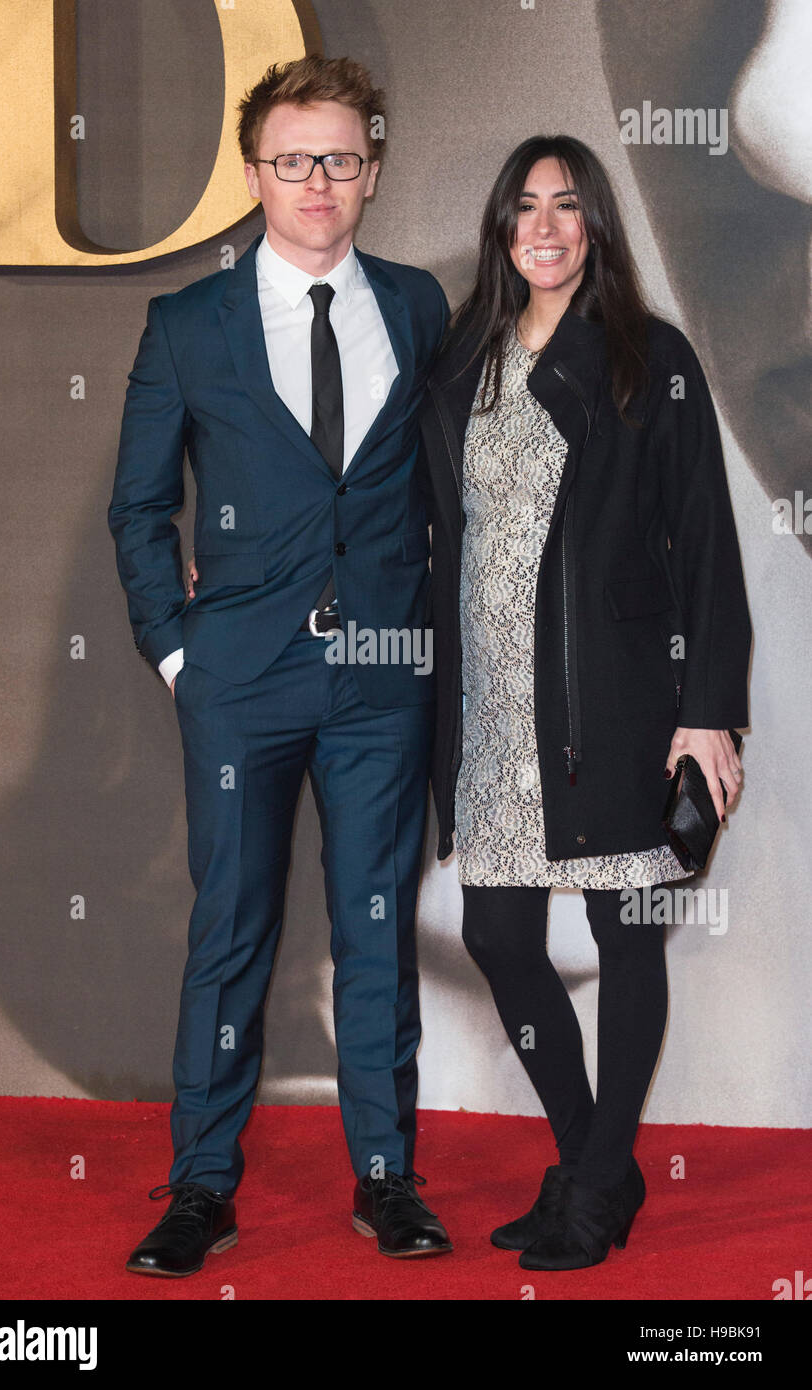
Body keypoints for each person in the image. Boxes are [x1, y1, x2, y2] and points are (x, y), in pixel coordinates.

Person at [108, 55, 452, 1276]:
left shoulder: (416, 306)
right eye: (291, 159)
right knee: (231, 932)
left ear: (371, 168)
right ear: (254, 173)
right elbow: (139, 509)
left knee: (374, 933)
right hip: (239, 684)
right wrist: (176, 657)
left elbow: (441, 495)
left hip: (377, 682)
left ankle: (384, 1179)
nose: (317, 180)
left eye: (341, 157)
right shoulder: (186, 324)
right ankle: (201, 1185)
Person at [418, 134, 751, 1270]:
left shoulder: (643, 357)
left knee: (625, 931)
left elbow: (703, 540)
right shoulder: (466, 360)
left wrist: (706, 710)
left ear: (596, 225)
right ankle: (594, 1161)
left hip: (614, 699)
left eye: (566, 206)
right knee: (500, 933)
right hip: (494, 708)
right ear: (500, 230)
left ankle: (597, 1183)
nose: (544, 227)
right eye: (523, 207)